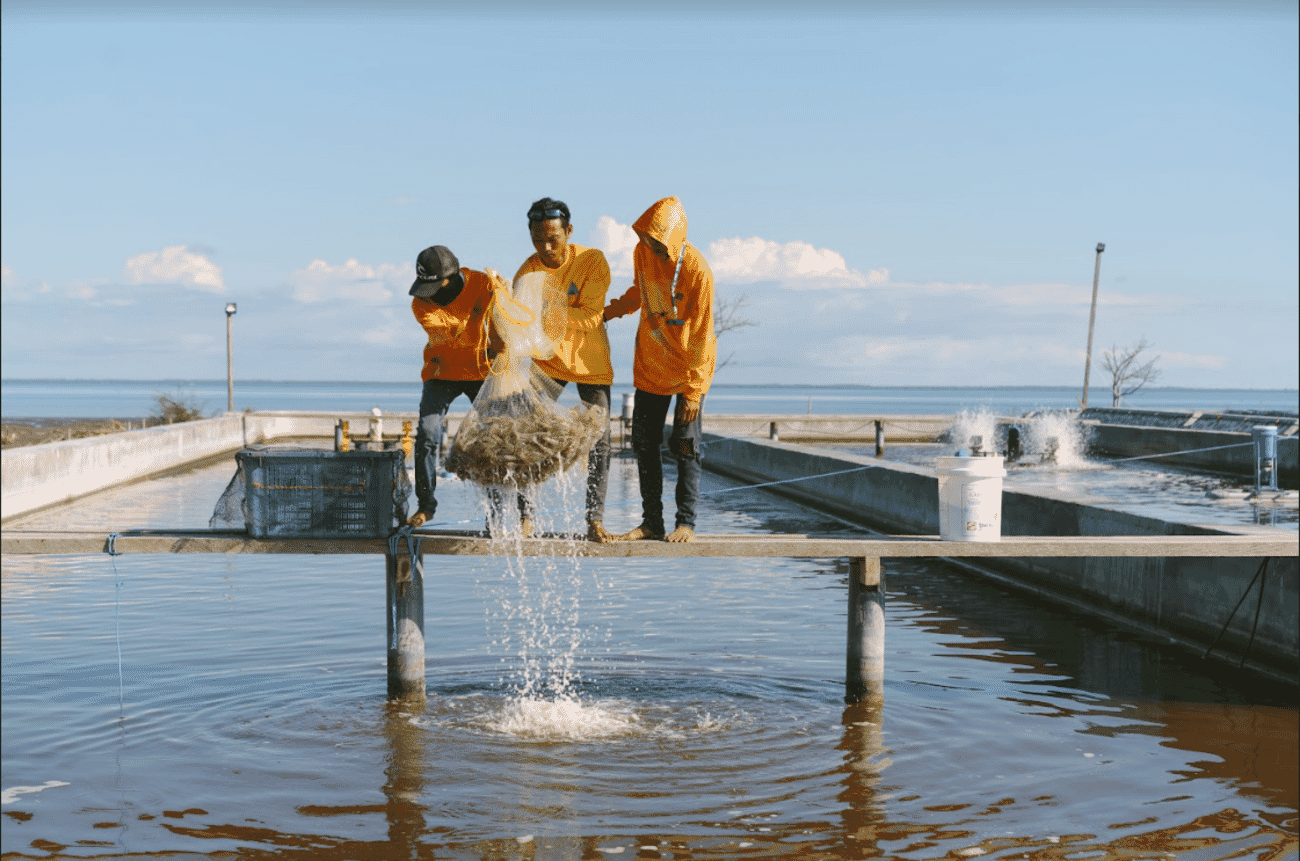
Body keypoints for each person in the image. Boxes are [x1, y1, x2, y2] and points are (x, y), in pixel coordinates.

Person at [603, 196, 716, 543]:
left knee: (684, 445)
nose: (652, 246)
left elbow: (701, 332)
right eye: (648, 238)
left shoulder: (697, 270)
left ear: (676, 238)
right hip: (651, 365)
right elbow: (640, 291)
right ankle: (652, 521)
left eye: (659, 240)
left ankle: (686, 523)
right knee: (644, 444)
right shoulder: (642, 254)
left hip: (687, 370)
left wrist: (695, 390)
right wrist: (611, 311)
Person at [510, 197, 615, 542]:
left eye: (553, 238)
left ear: (568, 231)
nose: (546, 247)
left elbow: (590, 316)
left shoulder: (592, 261)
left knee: (599, 440)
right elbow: (523, 326)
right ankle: (527, 517)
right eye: (538, 239)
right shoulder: (527, 273)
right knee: (525, 429)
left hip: (589, 362)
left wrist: (548, 314)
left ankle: (594, 520)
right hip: (548, 361)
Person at [405, 245, 505, 528]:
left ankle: (495, 514)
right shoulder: (420, 304)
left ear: (453, 276)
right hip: (441, 372)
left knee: (494, 437)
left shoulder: (483, 283)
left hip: (482, 371)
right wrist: (479, 311)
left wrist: (502, 294)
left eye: (436, 285)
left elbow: (504, 321)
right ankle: (426, 506)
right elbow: (450, 336)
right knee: (427, 433)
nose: (431, 293)